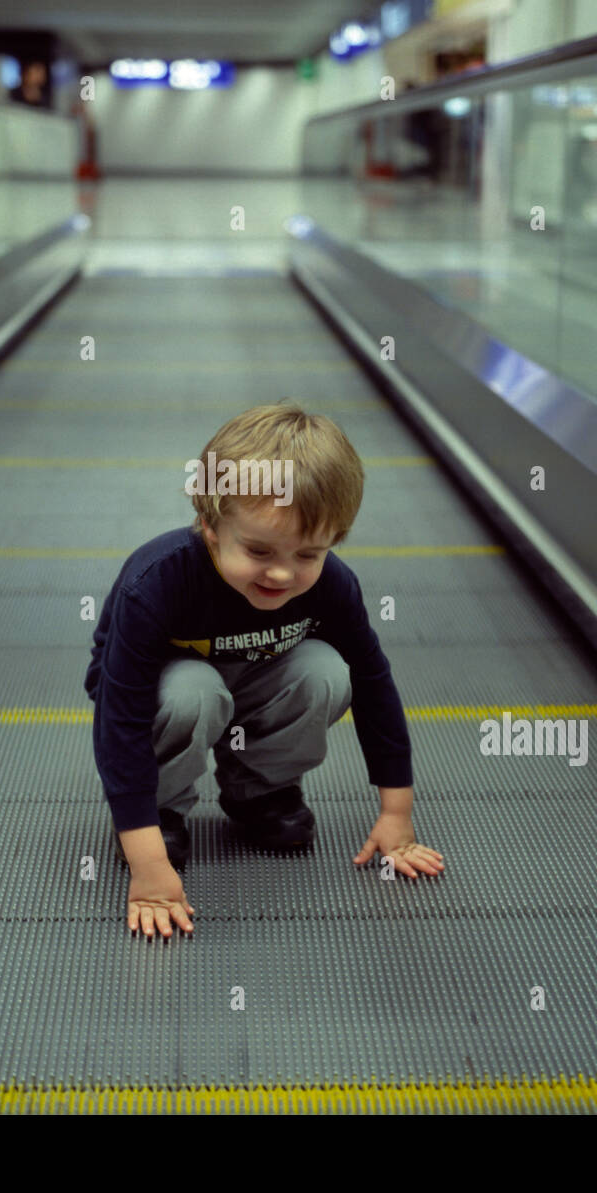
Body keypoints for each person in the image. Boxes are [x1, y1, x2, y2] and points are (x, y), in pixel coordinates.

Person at [84, 400, 444, 941]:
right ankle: (162, 811)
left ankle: (261, 792)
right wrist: (149, 867)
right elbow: (120, 719)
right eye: (258, 549)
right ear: (210, 526)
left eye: (308, 554)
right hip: (171, 692)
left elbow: (373, 684)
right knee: (193, 691)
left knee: (327, 670)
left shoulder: (333, 585)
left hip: (257, 675)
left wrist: (396, 813)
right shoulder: (156, 583)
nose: (282, 572)